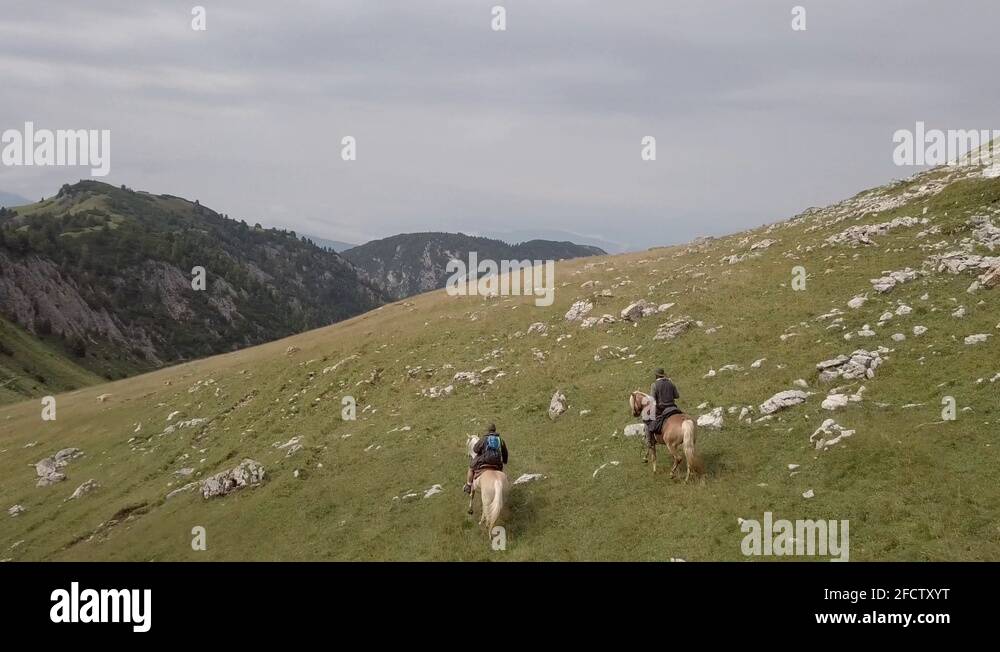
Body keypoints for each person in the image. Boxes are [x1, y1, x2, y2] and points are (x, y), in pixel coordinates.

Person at [463, 423, 508, 494]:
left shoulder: (484, 439)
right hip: (497, 462)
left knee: (471, 468)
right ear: (495, 430)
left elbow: (475, 449)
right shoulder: (500, 440)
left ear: (487, 430)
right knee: (501, 472)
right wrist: (504, 461)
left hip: (485, 461)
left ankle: (468, 485)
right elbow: (505, 453)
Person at [644, 368, 683, 448]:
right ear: (663, 375)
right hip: (673, 408)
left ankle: (650, 443)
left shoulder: (654, 385)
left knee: (647, 423)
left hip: (662, 410)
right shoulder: (671, 383)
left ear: (656, 375)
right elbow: (677, 396)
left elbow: (652, 400)